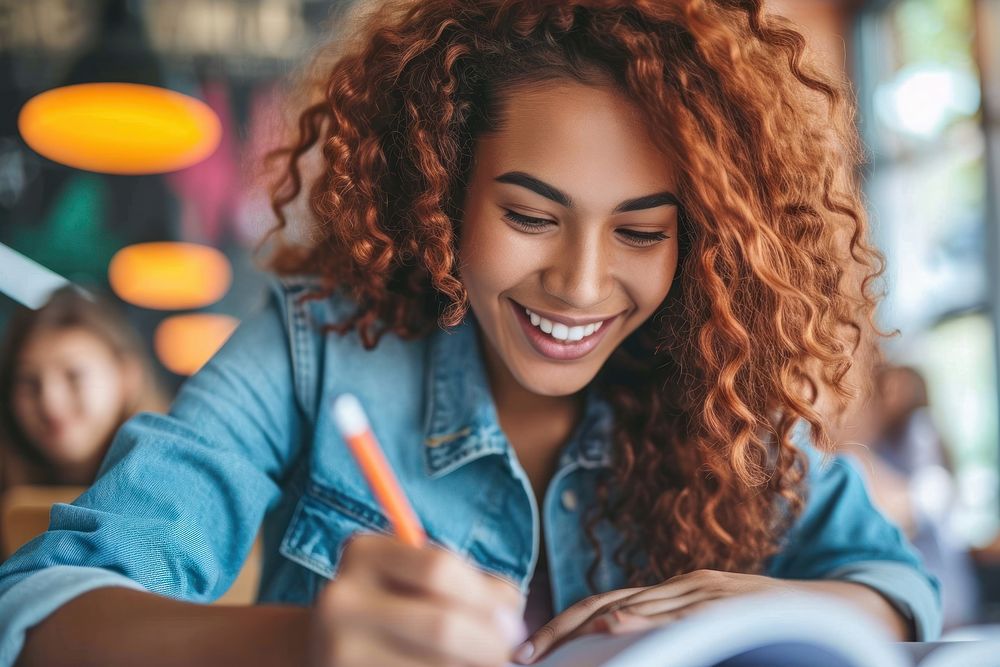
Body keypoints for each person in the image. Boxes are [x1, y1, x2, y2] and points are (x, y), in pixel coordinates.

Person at [0, 1, 942, 666]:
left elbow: (893, 582)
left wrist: (801, 599)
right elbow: (39, 608)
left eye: (642, 232)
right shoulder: (314, 352)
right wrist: (308, 646)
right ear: (443, 195)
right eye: (531, 217)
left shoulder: (712, 381)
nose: (578, 285)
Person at [843, 364, 979, 629]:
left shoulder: (919, 427)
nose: (888, 396)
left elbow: (923, 499)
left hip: (937, 583)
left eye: (896, 389)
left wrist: (851, 452)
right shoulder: (883, 440)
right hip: (919, 585)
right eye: (885, 388)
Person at [0, 286, 167, 492]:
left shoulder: (169, 487)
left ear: (127, 376)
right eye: (29, 382)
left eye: (74, 376)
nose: (50, 403)